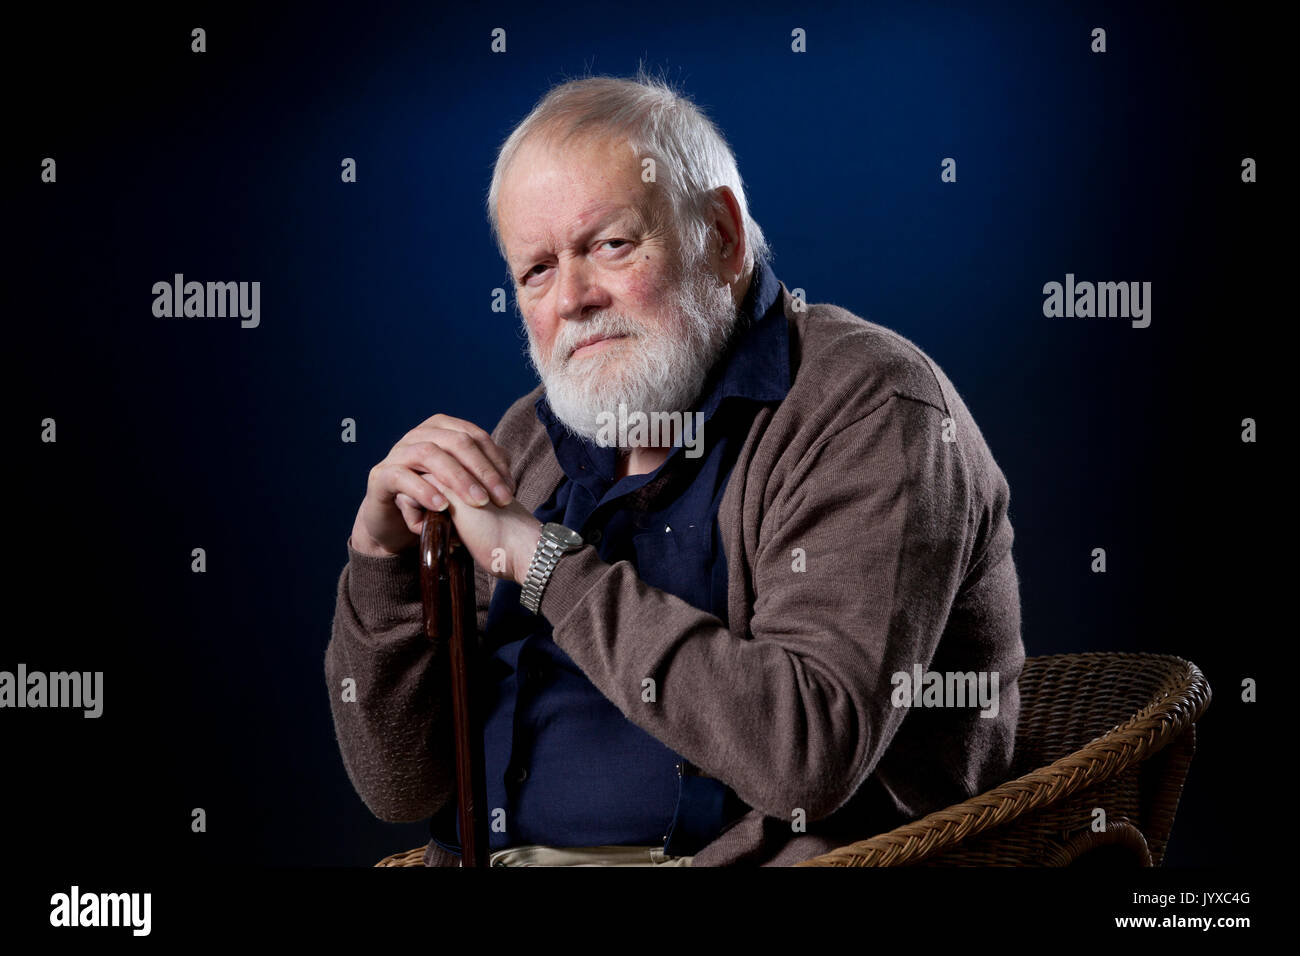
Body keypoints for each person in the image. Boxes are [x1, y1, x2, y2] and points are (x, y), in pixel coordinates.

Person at [325, 72, 1024, 867]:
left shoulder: (869, 407)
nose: (574, 299)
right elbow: (401, 789)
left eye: (611, 244)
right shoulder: (528, 440)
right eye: (537, 271)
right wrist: (380, 564)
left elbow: (806, 759)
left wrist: (541, 560)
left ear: (721, 236)